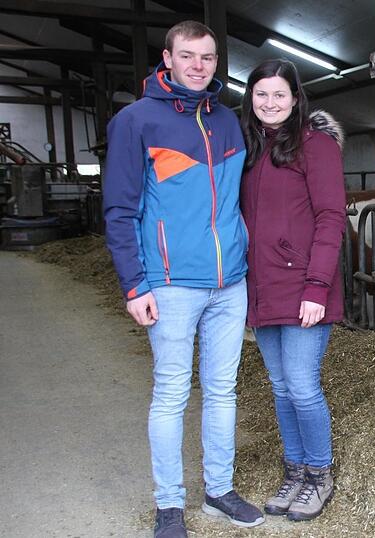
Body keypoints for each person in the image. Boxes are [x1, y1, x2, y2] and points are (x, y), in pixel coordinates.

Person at [103, 20, 264, 538]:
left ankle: (219, 490)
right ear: (167, 59)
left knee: (223, 390)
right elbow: (120, 209)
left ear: (218, 63)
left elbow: (242, 198)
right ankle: (169, 505)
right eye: (189, 56)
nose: (199, 66)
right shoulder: (136, 121)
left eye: (209, 58)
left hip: (229, 282)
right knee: (171, 392)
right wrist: (134, 284)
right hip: (169, 282)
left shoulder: (228, 122)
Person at [239, 58, 346, 521]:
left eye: (279, 94)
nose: (270, 102)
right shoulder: (247, 147)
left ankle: (319, 474)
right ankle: (296, 470)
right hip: (261, 286)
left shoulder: (316, 145)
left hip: (304, 286)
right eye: (261, 94)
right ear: (251, 99)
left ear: (296, 97)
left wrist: (317, 287)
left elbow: (331, 217)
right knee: (281, 387)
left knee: (302, 386)